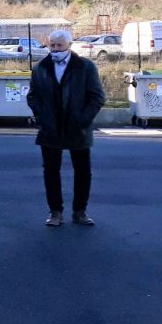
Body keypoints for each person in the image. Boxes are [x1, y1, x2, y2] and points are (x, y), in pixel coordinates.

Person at [27, 28, 105, 226]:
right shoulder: (40, 68)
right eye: (52, 45)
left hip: (78, 127)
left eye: (59, 45)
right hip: (50, 127)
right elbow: (33, 96)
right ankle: (55, 212)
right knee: (51, 172)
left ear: (69, 45)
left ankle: (80, 212)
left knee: (83, 171)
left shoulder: (85, 67)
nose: (55, 49)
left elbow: (97, 97)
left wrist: (83, 119)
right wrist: (41, 117)